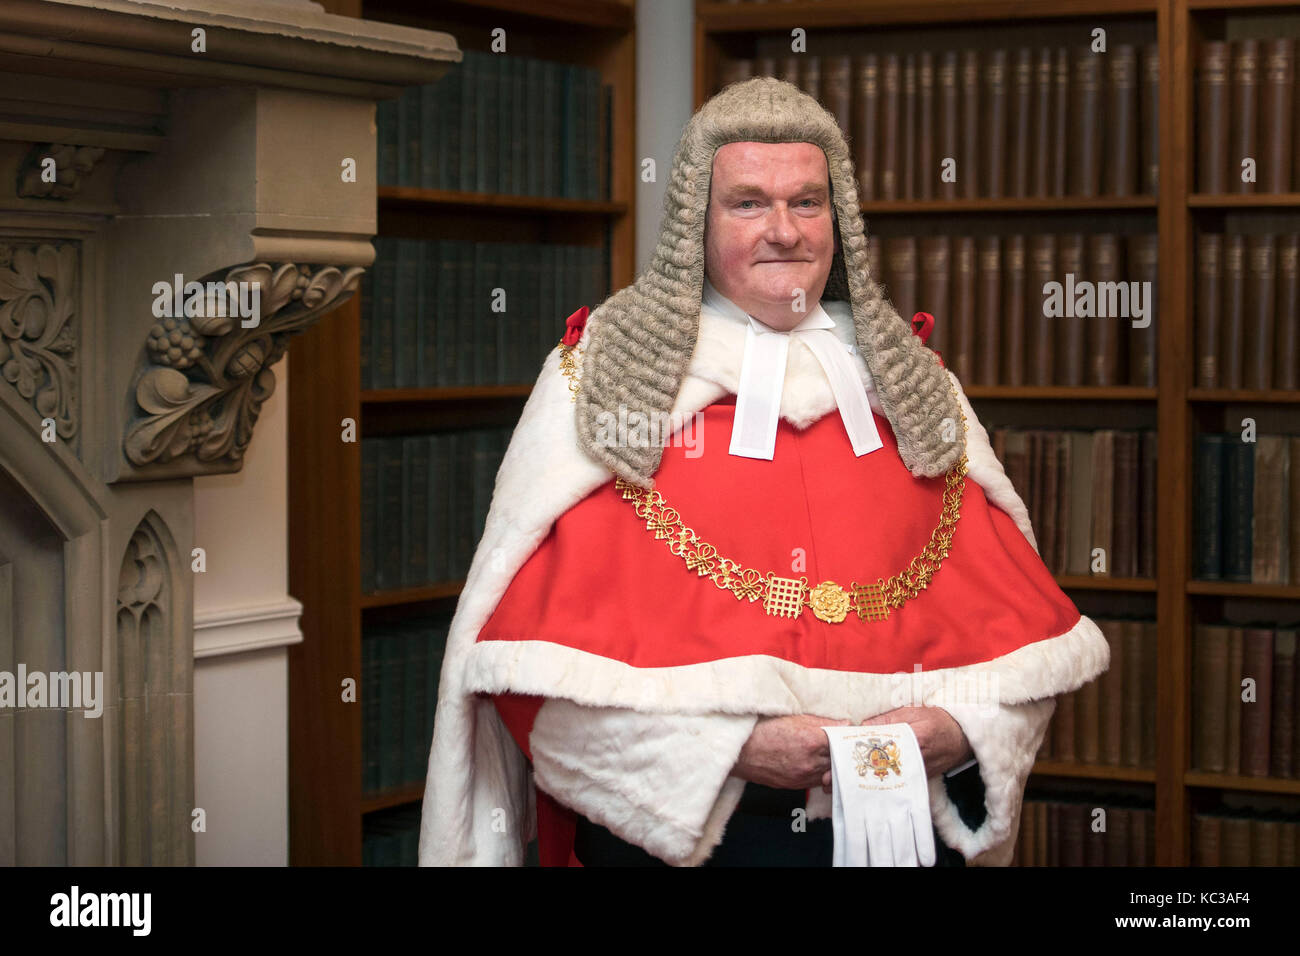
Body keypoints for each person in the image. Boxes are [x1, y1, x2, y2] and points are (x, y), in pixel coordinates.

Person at [418, 77, 1109, 867]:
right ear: (694, 225)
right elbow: (520, 677)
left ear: (838, 218)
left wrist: (959, 732)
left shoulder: (916, 384)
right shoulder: (602, 381)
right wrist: (731, 749)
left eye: (806, 202)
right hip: (694, 840)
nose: (784, 231)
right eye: (748, 203)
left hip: (900, 830)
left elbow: (1023, 652)